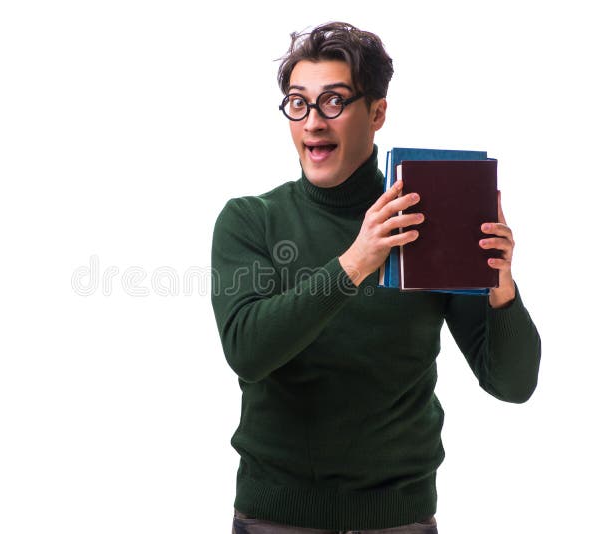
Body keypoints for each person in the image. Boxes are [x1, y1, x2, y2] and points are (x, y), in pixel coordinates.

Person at [210, 22, 541, 534]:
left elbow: (512, 384)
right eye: (298, 103)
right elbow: (248, 352)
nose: (313, 122)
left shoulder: (423, 220)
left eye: (334, 102)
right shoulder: (251, 220)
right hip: (276, 519)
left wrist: (501, 288)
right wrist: (356, 261)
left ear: (378, 112)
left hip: (398, 520)